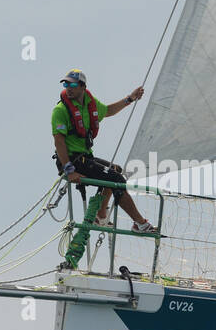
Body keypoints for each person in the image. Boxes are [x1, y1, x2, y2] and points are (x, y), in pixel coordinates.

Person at [51, 69, 157, 233]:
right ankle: (140, 224)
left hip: (85, 158)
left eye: (72, 84)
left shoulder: (88, 102)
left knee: (115, 170)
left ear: (82, 86)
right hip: (72, 161)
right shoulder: (61, 110)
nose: (68, 88)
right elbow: (59, 141)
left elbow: (108, 111)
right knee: (117, 178)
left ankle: (100, 215)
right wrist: (69, 170)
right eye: (65, 84)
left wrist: (130, 98)